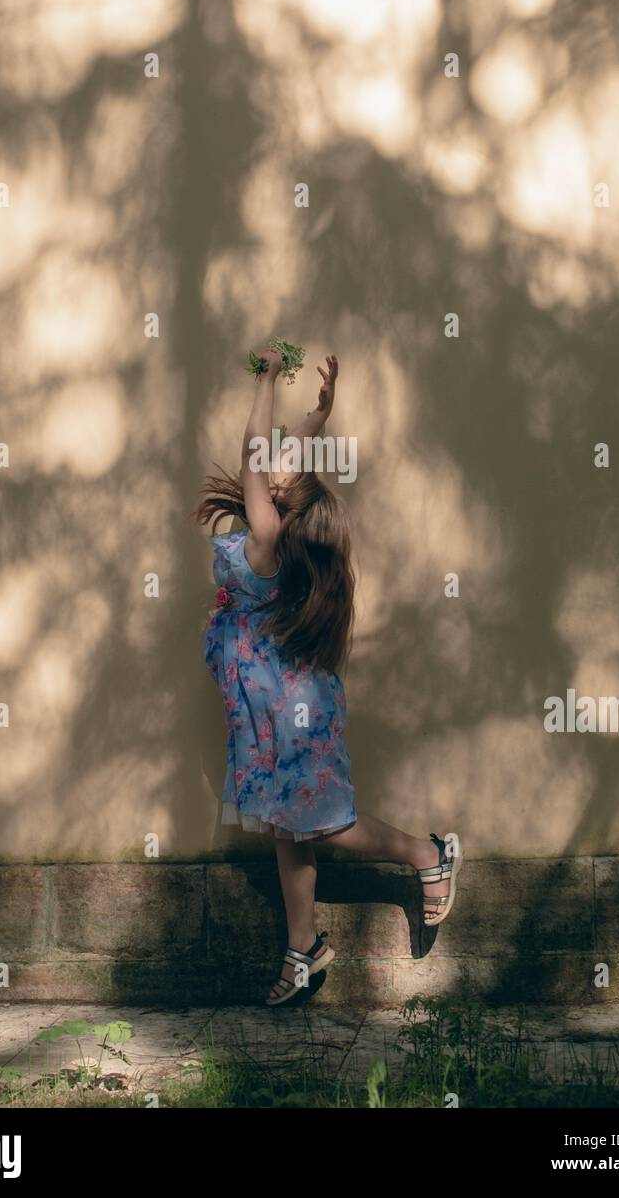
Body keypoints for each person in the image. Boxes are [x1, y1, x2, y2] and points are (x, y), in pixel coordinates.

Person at [197, 347, 462, 1005]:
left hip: (293, 712)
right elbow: (279, 459)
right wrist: (317, 412)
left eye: (279, 483)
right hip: (273, 706)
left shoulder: (264, 541)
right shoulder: (289, 533)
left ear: (281, 511)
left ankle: (427, 854)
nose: (273, 474)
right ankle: (304, 947)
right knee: (290, 827)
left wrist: (263, 377)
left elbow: (256, 448)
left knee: (321, 821)